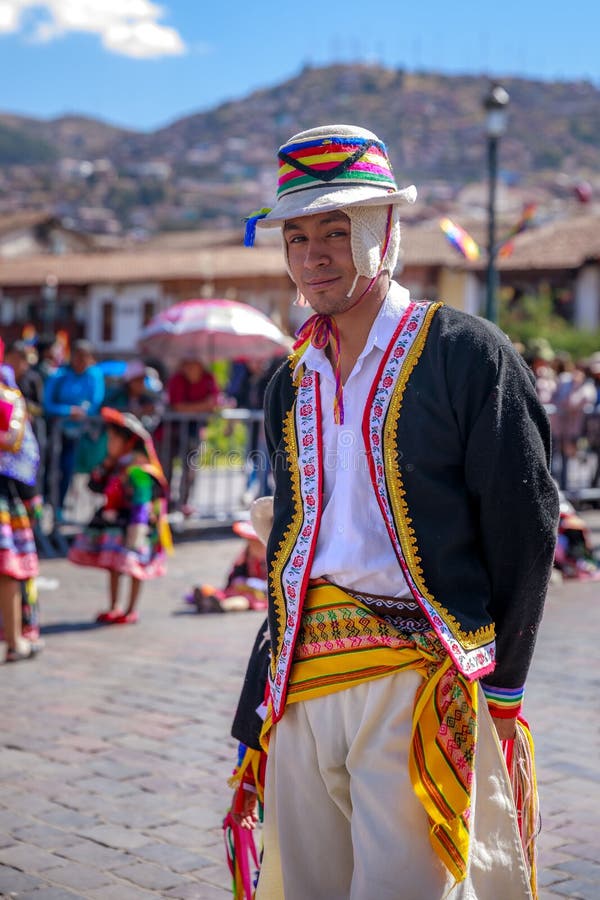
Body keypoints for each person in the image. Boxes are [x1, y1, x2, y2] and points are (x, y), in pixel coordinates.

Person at [236, 125, 559, 899]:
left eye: (338, 231)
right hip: (303, 678)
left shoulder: (465, 354)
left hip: (419, 682)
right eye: (299, 234)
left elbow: (525, 518)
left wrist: (504, 690)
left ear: (386, 231)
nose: (314, 255)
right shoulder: (291, 380)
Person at [68, 407, 171, 624]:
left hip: (137, 525)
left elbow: (143, 501)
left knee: (134, 566)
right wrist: (106, 466)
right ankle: (114, 605)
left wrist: (138, 530)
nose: (109, 444)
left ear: (127, 442)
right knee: (113, 565)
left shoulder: (140, 469)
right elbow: (94, 485)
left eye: (113, 439)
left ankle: (131, 609)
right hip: (116, 524)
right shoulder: (116, 465)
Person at [0, 339, 42, 662]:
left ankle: (14, 637)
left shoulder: (8, 393)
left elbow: (16, 443)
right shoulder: (8, 393)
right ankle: (14, 639)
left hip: (5, 490)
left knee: (8, 566)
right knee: (7, 568)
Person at [43, 340, 105, 516]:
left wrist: (82, 412)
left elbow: (95, 402)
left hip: (81, 433)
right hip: (57, 431)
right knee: (52, 469)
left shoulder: (94, 375)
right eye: (77, 357)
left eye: (84, 358)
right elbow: (48, 404)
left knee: (69, 469)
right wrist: (68, 411)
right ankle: (49, 505)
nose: (80, 362)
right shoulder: (59, 376)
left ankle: (60, 507)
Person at [162, 355, 221, 514]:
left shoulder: (209, 378)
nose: (191, 368)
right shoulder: (177, 379)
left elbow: (214, 403)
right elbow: (178, 407)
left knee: (190, 469)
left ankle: (184, 503)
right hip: (171, 431)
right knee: (166, 468)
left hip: (194, 432)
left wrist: (196, 407)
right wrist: (202, 406)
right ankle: (165, 503)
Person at [187, 518, 268, 613]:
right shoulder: (245, 557)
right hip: (239, 589)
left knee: (242, 601)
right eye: (251, 543)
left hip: (259, 595)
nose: (253, 547)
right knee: (218, 592)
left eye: (257, 544)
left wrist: (259, 585)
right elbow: (235, 574)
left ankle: (220, 606)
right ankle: (205, 599)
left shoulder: (272, 559)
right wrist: (239, 581)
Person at [105, 359, 165, 433]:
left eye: (142, 380)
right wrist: (136, 412)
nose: (141, 384)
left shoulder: (146, 398)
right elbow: (110, 412)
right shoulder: (116, 396)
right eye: (138, 380)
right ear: (129, 381)